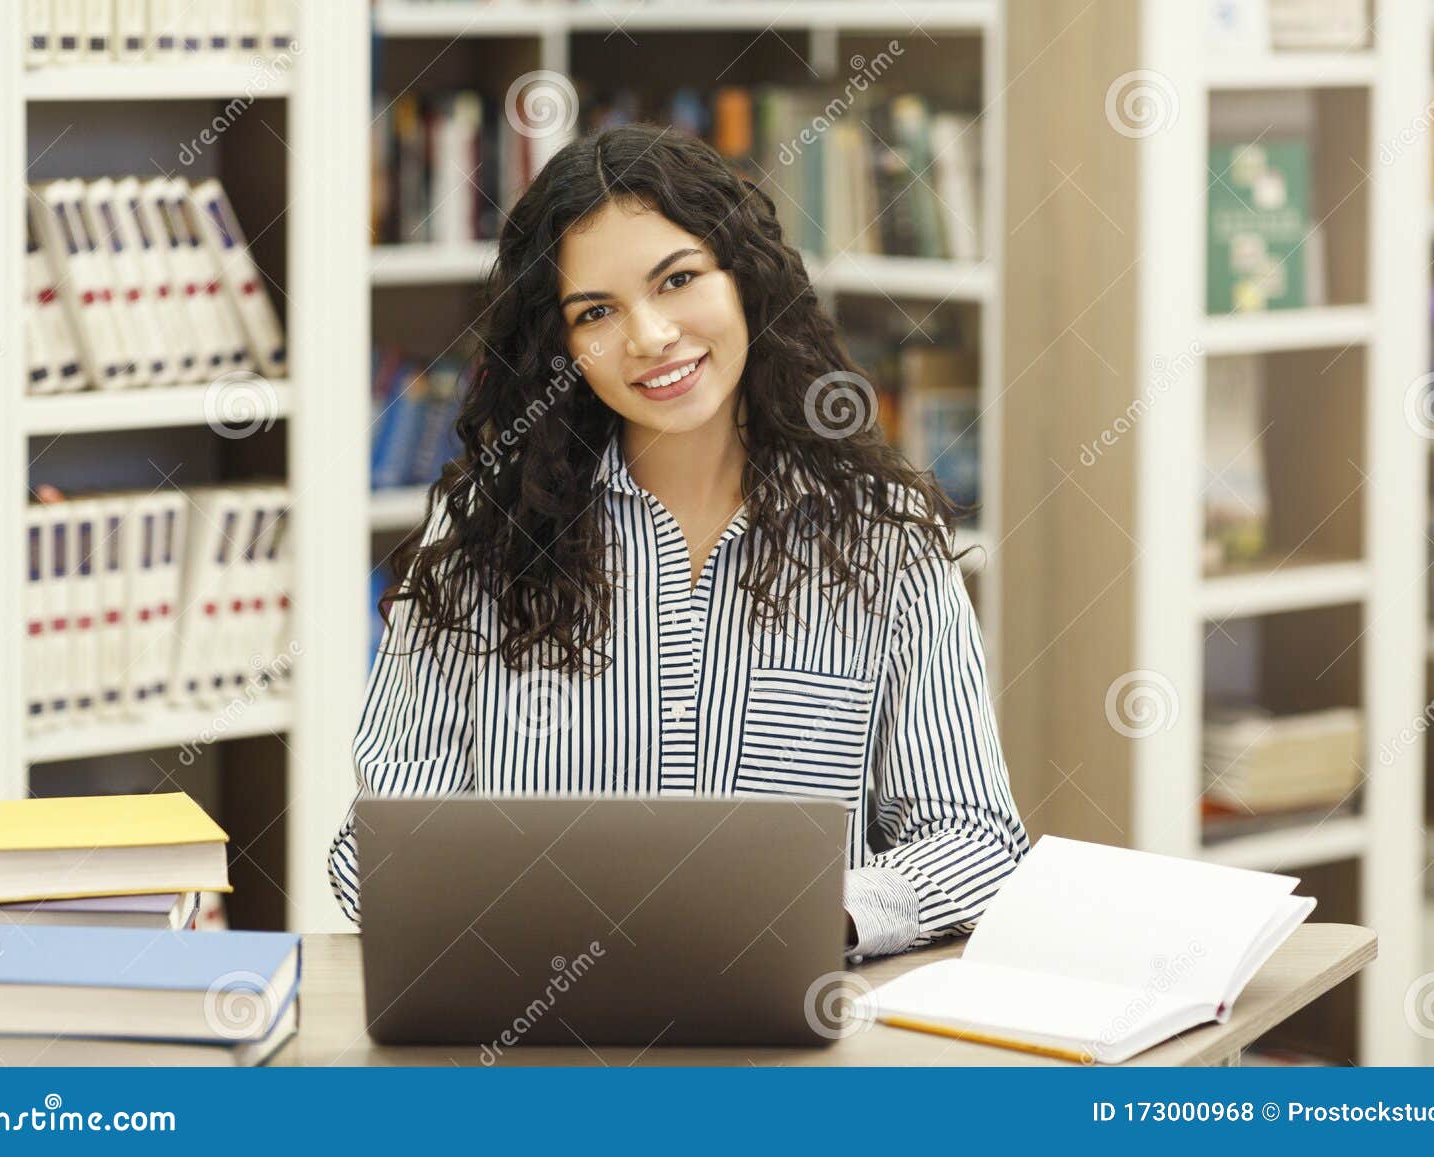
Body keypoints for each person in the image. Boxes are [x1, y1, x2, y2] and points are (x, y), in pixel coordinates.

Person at [328, 122, 1030, 959]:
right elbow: (372, 854)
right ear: (562, 348)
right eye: (597, 311)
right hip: (532, 1041)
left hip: (789, 1035)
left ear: (747, 282)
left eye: (678, 280)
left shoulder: (885, 537)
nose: (649, 336)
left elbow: (976, 839)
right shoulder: (480, 533)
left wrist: (822, 913)